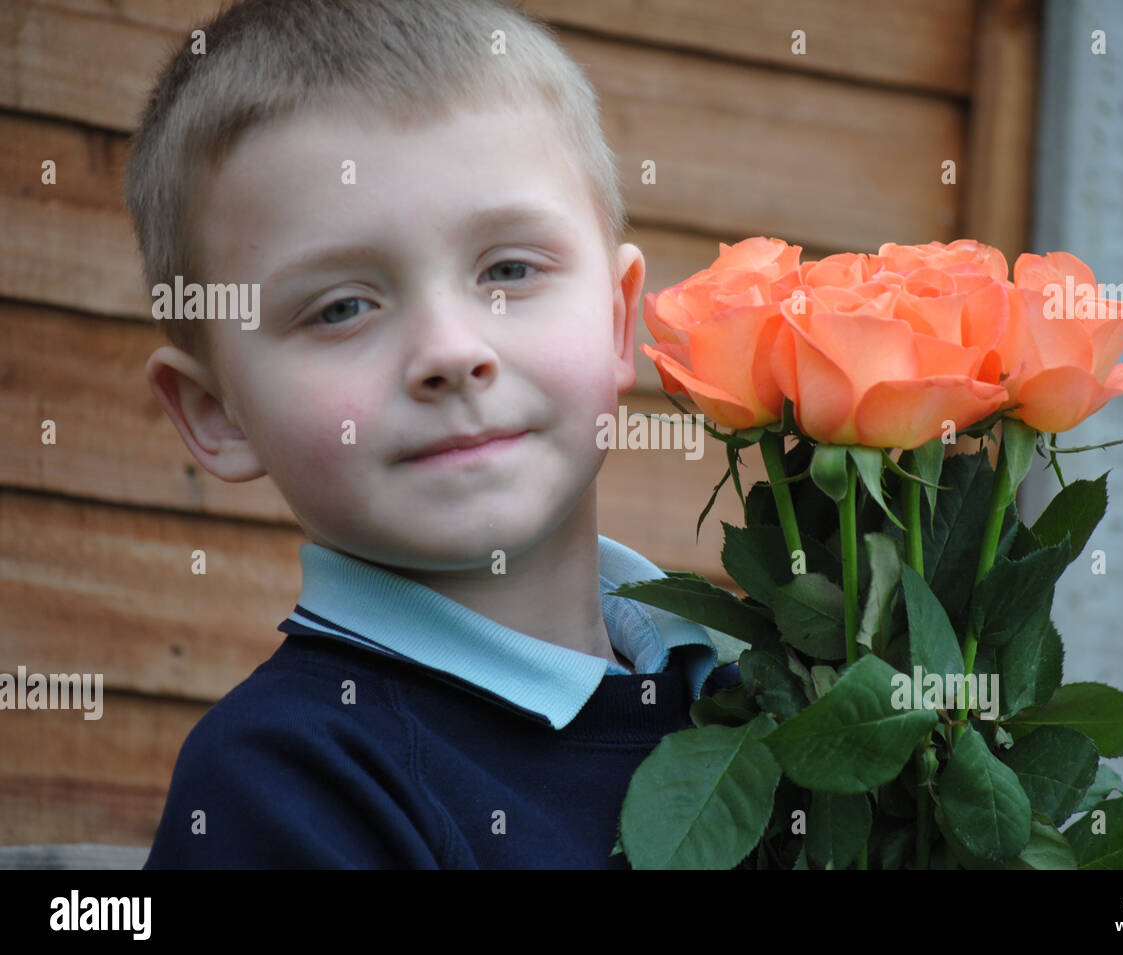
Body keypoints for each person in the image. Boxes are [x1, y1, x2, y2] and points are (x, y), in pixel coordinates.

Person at [126, 0, 740, 868]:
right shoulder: (285, 783)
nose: (451, 352)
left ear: (615, 324)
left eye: (509, 270)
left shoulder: (759, 686)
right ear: (217, 414)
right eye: (341, 308)